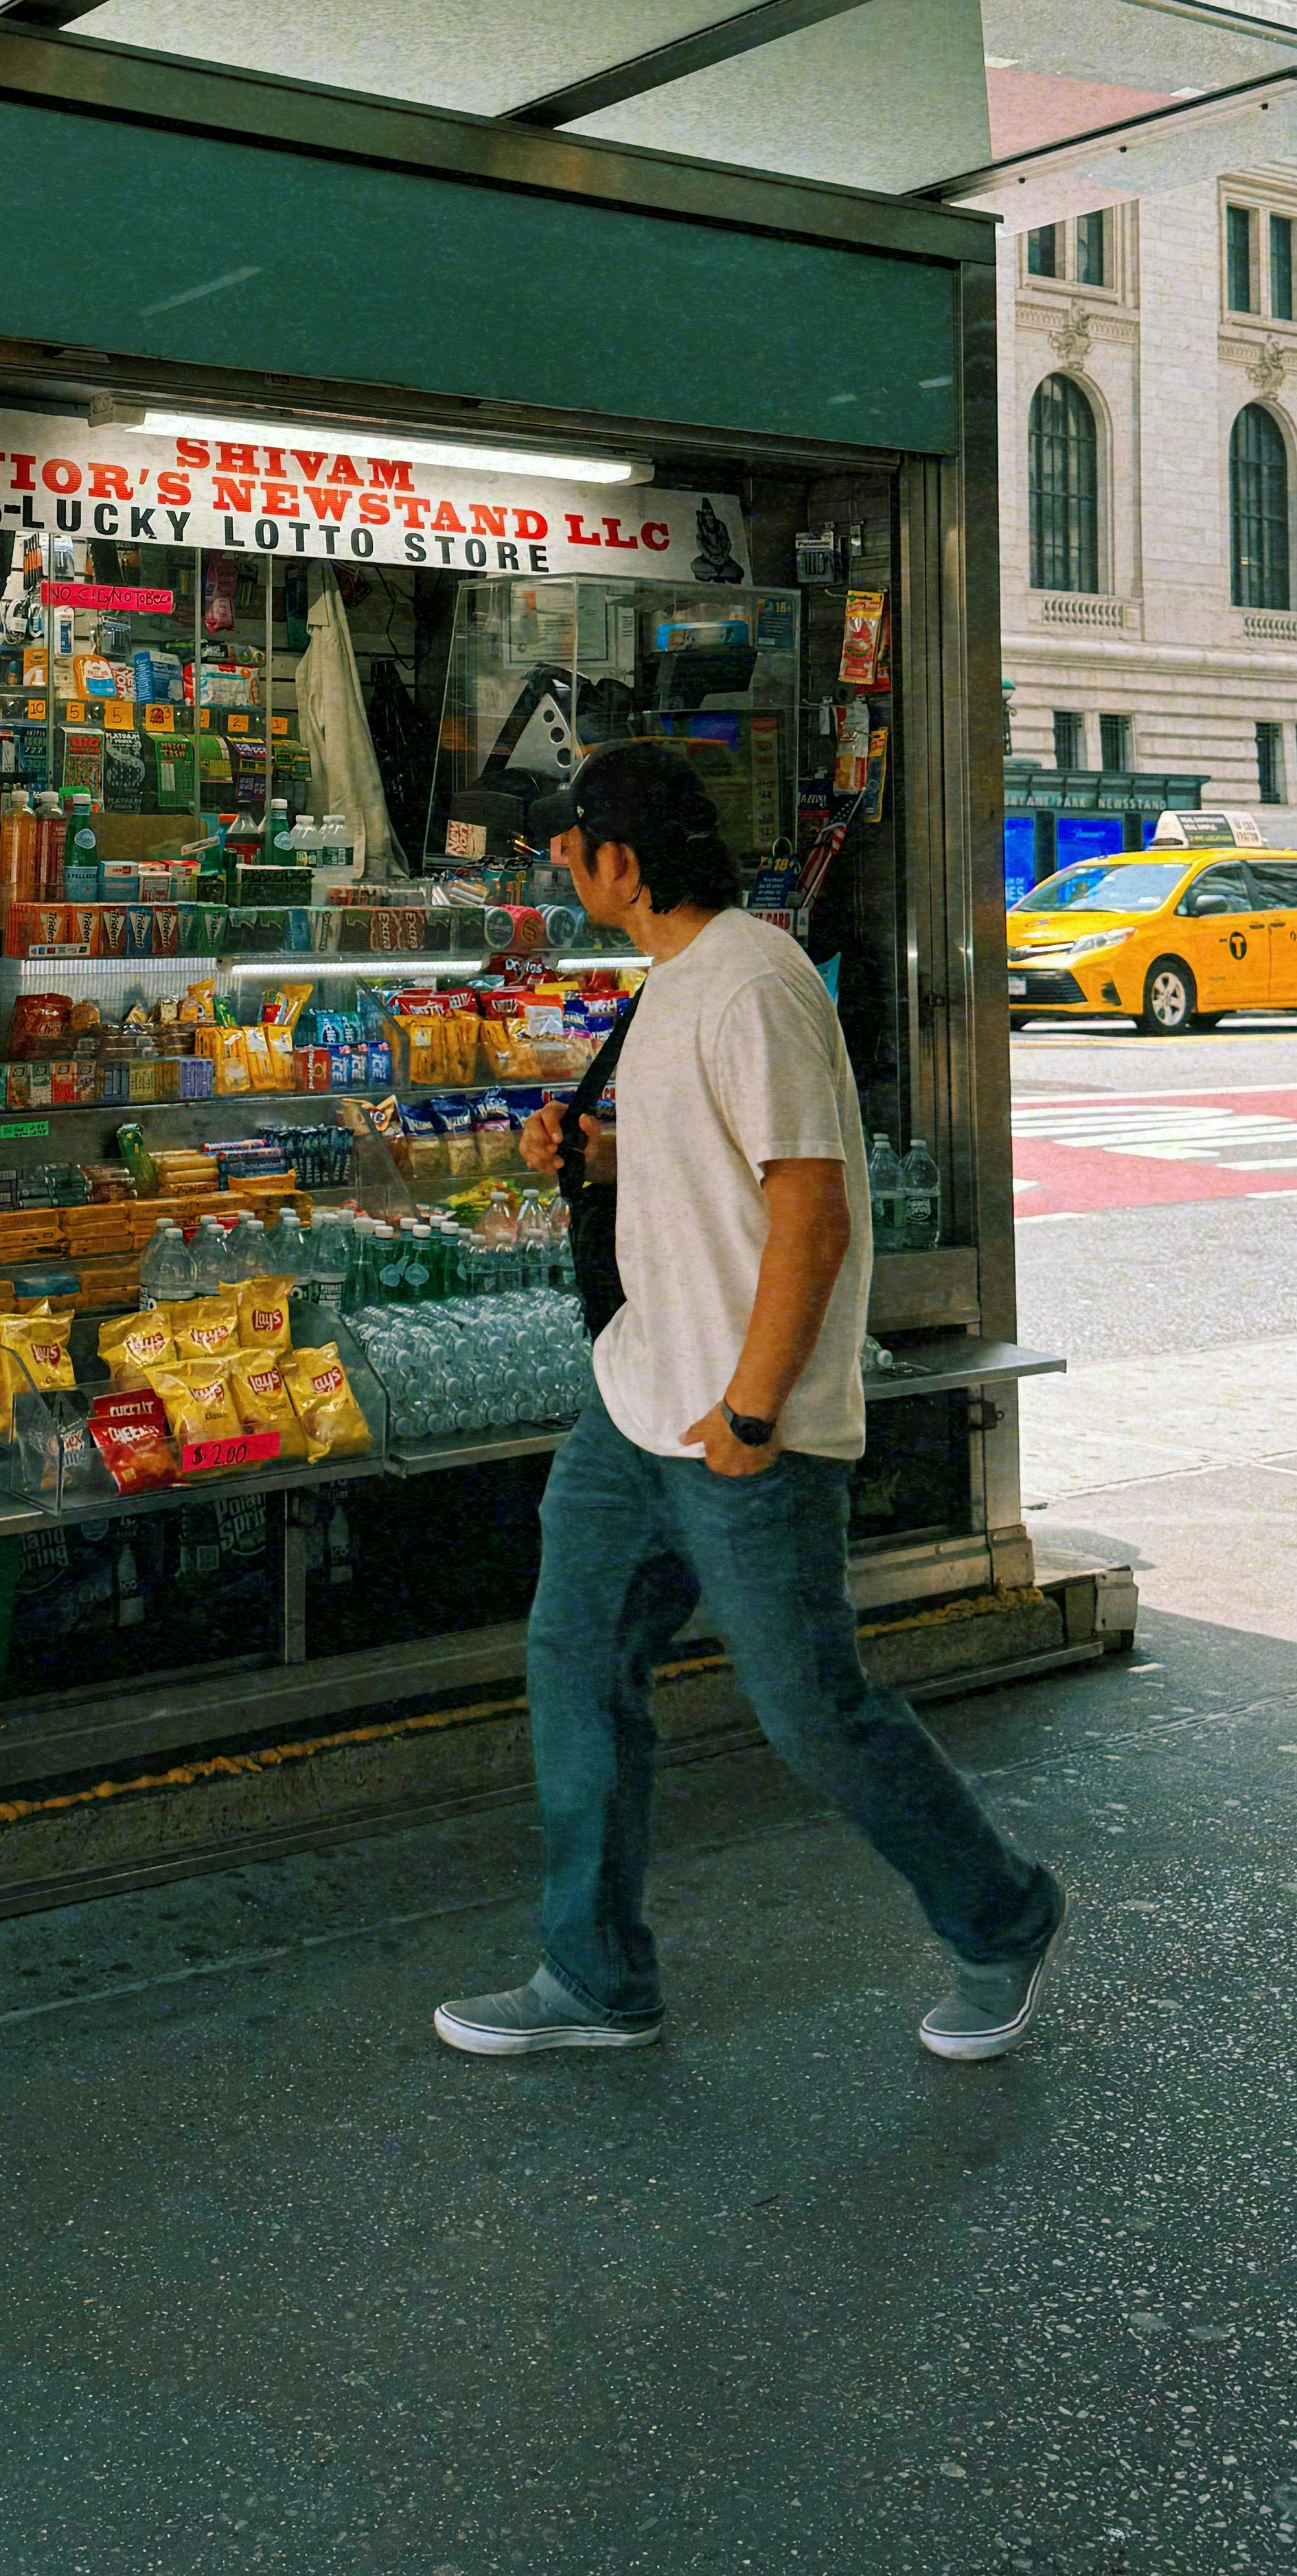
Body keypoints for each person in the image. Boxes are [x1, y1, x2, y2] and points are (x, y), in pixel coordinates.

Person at [433, 741, 1064, 2069]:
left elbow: (810, 1211)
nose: (559, 859)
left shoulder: (750, 985)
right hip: (635, 1403)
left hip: (735, 1423)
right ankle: (594, 1977)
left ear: (625, 857)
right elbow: (704, 1175)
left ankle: (999, 1914)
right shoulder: (674, 982)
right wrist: (597, 1153)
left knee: (809, 1712)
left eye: (575, 838)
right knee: (575, 1661)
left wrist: (753, 1410)